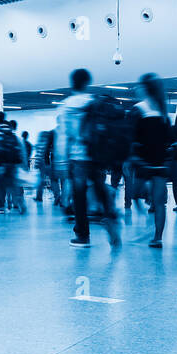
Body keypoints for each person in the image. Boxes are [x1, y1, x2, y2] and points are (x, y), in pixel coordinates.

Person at [56, 68, 119, 247]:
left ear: (72, 83)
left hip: (78, 156)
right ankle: (109, 218)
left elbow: (63, 136)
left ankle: (82, 235)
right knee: (100, 188)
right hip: (96, 155)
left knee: (79, 196)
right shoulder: (94, 102)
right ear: (87, 82)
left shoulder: (67, 106)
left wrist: (60, 162)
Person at [131, 74, 173, 247]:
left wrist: (131, 156)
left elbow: (132, 136)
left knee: (134, 194)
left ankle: (144, 217)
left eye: (139, 86)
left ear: (145, 88)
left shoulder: (139, 109)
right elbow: (169, 138)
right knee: (159, 203)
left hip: (143, 162)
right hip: (161, 163)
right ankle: (158, 238)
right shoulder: (163, 112)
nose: (136, 89)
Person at [0, 112, 24, 213]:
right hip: (12, 163)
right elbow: (17, 148)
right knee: (12, 184)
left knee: (0, 186)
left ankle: (0, 207)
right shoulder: (11, 133)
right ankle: (18, 201)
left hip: (1, 164)